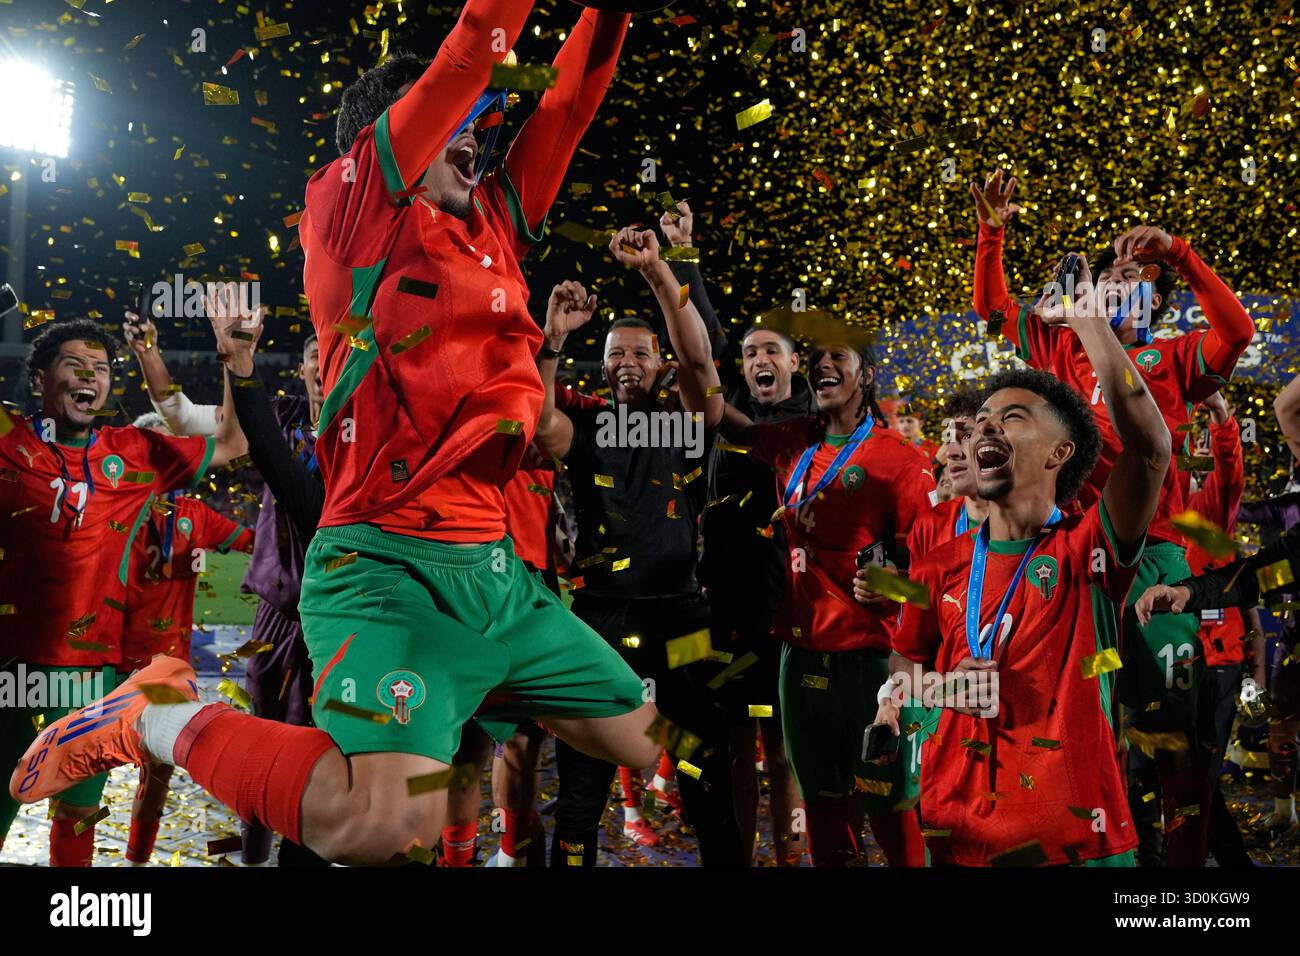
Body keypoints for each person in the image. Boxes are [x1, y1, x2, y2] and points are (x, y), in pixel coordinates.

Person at [11, 1, 663, 867]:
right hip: (384, 567)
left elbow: (571, 104)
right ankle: (156, 719)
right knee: (378, 830)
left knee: (650, 741)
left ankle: (465, 692)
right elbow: (474, 48)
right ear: (389, 140)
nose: (486, 133)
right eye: (464, 120)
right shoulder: (356, 211)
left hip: (498, 574)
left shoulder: (492, 220)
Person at [971, 169, 1255, 865]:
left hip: (1153, 556)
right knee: (1078, 733)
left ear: (1157, 302)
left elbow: (1237, 329)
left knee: (1175, 742)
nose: (1123, 277)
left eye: (1137, 275)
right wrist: (991, 231)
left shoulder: (1175, 358)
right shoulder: (1064, 347)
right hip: (1070, 559)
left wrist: (1179, 255)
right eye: (1112, 272)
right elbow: (992, 306)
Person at [877, 255, 1172, 866]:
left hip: (1073, 841)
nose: (987, 428)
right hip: (959, 831)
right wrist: (933, 689)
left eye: (1013, 417)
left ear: (1061, 451)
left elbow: (1148, 449)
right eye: (983, 419)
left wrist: (1088, 317)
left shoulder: (1087, 549)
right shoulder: (938, 563)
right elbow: (905, 671)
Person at [532, 222, 741, 866]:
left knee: (706, 779)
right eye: (616, 353)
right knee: (581, 792)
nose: (626, 363)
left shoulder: (685, 423)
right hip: (598, 616)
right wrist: (555, 339)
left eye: (640, 353)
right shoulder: (589, 425)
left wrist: (657, 271)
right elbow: (538, 425)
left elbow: (702, 360)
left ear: (661, 364)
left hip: (684, 615)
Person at [0, 318, 246, 866]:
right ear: (40, 377)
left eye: (103, 370)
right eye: (75, 365)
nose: (91, 376)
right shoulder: (7, 441)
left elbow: (233, 441)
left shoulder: (136, 452)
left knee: (77, 819)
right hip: (7, 670)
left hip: (86, 677)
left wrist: (233, 360)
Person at [720, 337, 936, 867]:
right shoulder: (795, 441)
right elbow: (723, 421)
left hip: (870, 664)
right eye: (816, 361)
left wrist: (896, 583)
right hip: (798, 656)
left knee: (889, 807)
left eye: (839, 357)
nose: (824, 366)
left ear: (864, 376)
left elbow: (935, 583)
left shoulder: (901, 461)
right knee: (822, 805)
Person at [120, 412, 255, 866]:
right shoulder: (110, 508)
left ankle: (136, 863)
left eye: (169, 448)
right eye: (152, 447)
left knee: (154, 778)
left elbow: (259, 544)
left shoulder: (194, 515)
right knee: (80, 775)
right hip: (104, 662)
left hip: (167, 671)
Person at [700, 323, 812, 866]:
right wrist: (679, 253)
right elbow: (705, 347)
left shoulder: (819, 424)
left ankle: (791, 859)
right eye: (749, 353)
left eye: (772, 350)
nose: (759, 359)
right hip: (727, 612)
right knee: (734, 751)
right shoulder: (719, 420)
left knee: (787, 754)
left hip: (793, 613)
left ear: (794, 364)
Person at [1178, 393, 1259, 865]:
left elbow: (1229, 479)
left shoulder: (1200, 512)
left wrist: (1224, 420)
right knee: (1173, 777)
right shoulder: (1132, 508)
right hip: (1155, 666)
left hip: (1212, 666)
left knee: (1198, 778)